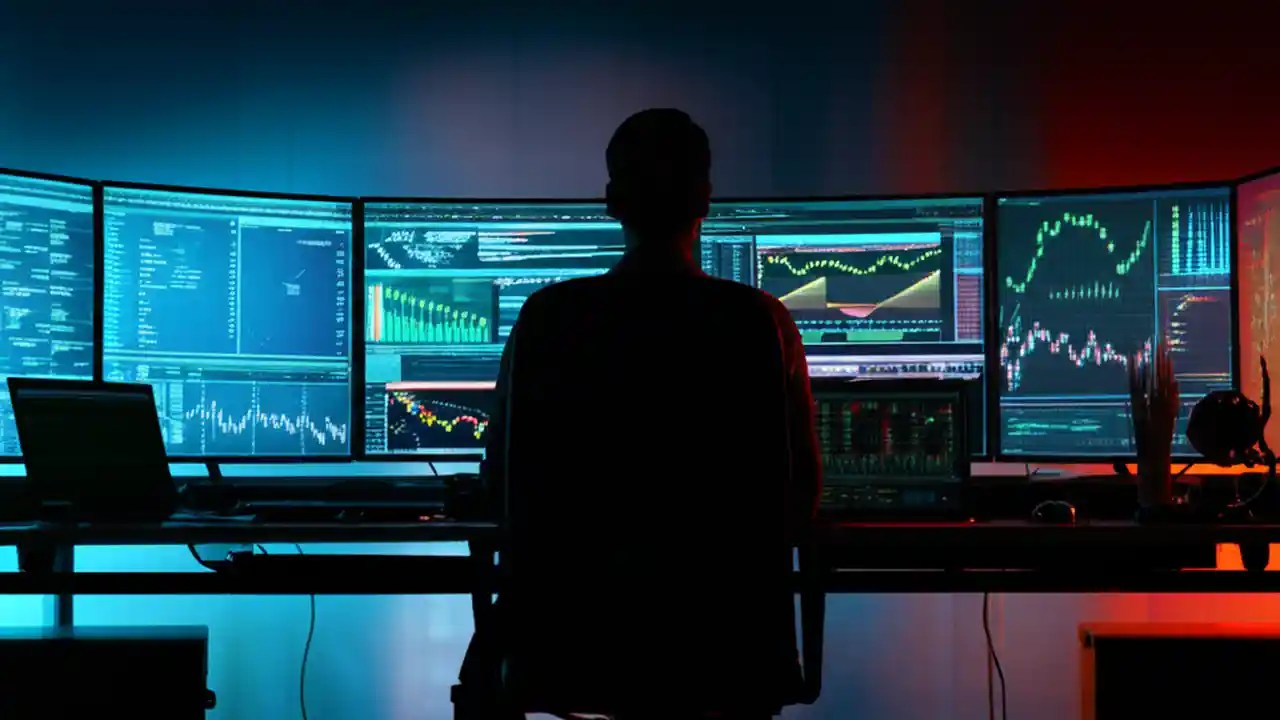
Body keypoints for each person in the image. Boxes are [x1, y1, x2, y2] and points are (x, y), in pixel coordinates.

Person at [459, 108, 822, 719]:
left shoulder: (547, 318)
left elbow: (502, 487)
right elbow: (799, 500)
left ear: (611, 202)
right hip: (725, 654)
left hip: (573, 650)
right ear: (705, 198)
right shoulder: (762, 322)